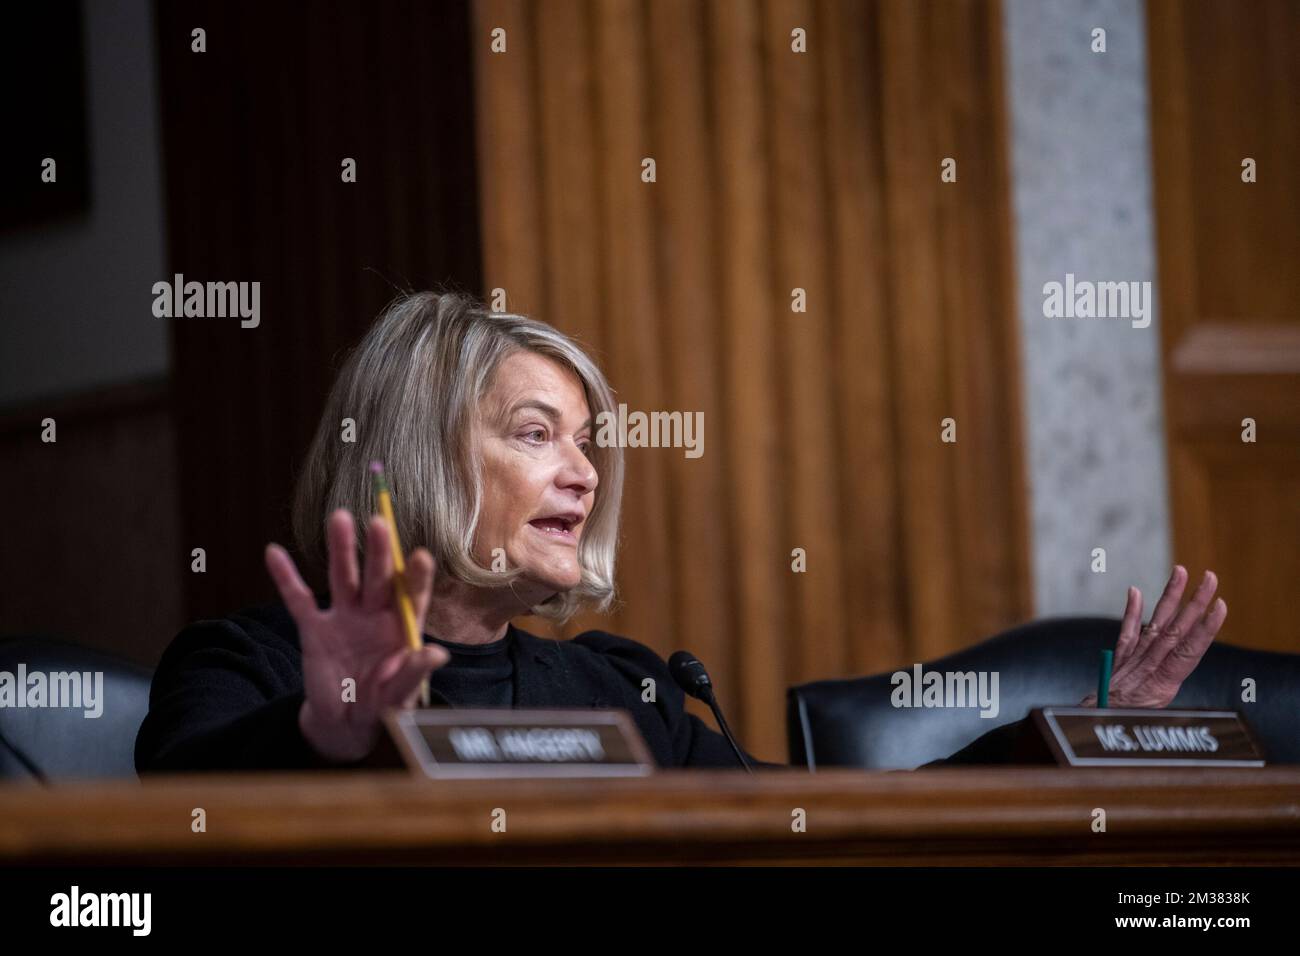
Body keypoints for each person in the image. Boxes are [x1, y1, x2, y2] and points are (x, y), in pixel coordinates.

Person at [134, 292, 1228, 773]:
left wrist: (1075, 735)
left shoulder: (620, 688)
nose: (582, 469)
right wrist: (330, 731)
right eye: (534, 432)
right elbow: (174, 833)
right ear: (419, 454)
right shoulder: (241, 665)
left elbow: (825, 827)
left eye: (588, 439)